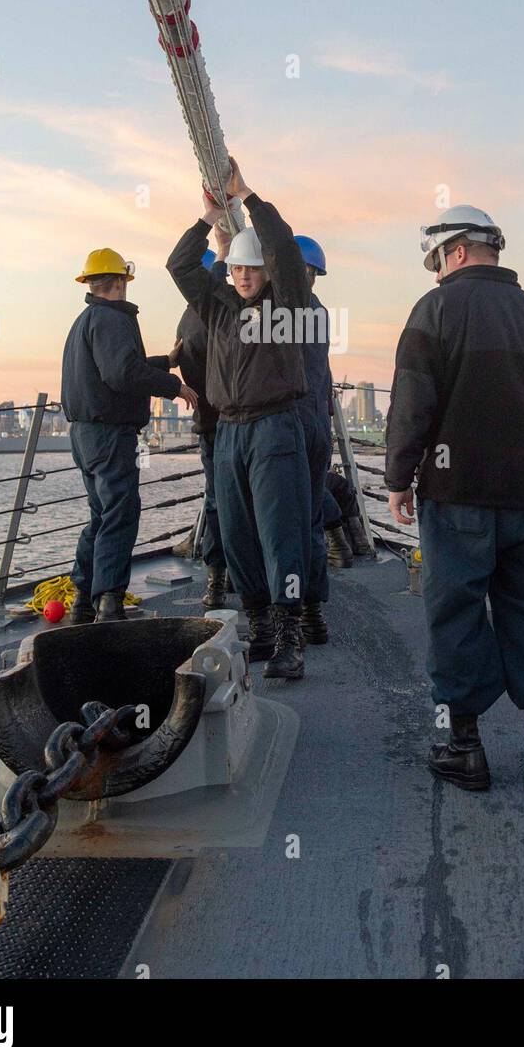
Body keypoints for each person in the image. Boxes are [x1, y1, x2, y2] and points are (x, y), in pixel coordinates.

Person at [385, 205, 524, 791]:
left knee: (457, 613)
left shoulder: (435, 310)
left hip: (458, 499)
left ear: (456, 251)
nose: (436, 273)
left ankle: (465, 749)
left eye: (437, 261)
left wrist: (399, 477)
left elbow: (411, 404)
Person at [167, 158, 312, 679]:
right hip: (227, 430)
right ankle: (262, 630)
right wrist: (207, 219)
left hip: (274, 428)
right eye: (238, 268)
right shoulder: (219, 306)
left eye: (253, 268)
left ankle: (291, 635)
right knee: (237, 534)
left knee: (280, 533)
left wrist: (247, 196)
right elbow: (179, 266)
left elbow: (287, 253)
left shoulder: (288, 304)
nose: (245, 275)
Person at [61, 247, 198, 622]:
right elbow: (121, 374)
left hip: (84, 436)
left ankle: (84, 600)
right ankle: (109, 601)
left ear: (90, 282)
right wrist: (173, 385)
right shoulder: (112, 319)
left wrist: (163, 362)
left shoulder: (86, 320)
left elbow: (118, 365)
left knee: (102, 516)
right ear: (121, 282)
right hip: (109, 435)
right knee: (121, 513)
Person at [174, 249, 230, 610]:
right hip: (231, 422)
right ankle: (238, 575)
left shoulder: (185, 319)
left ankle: (216, 579)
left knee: (215, 501)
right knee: (242, 502)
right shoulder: (217, 312)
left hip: (207, 423)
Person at [292, 235, 333, 643]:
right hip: (317, 425)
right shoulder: (318, 312)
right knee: (311, 522)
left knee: (283, 525)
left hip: (292, 428)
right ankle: (313, 614)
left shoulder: (289, 311)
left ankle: (288, 615)